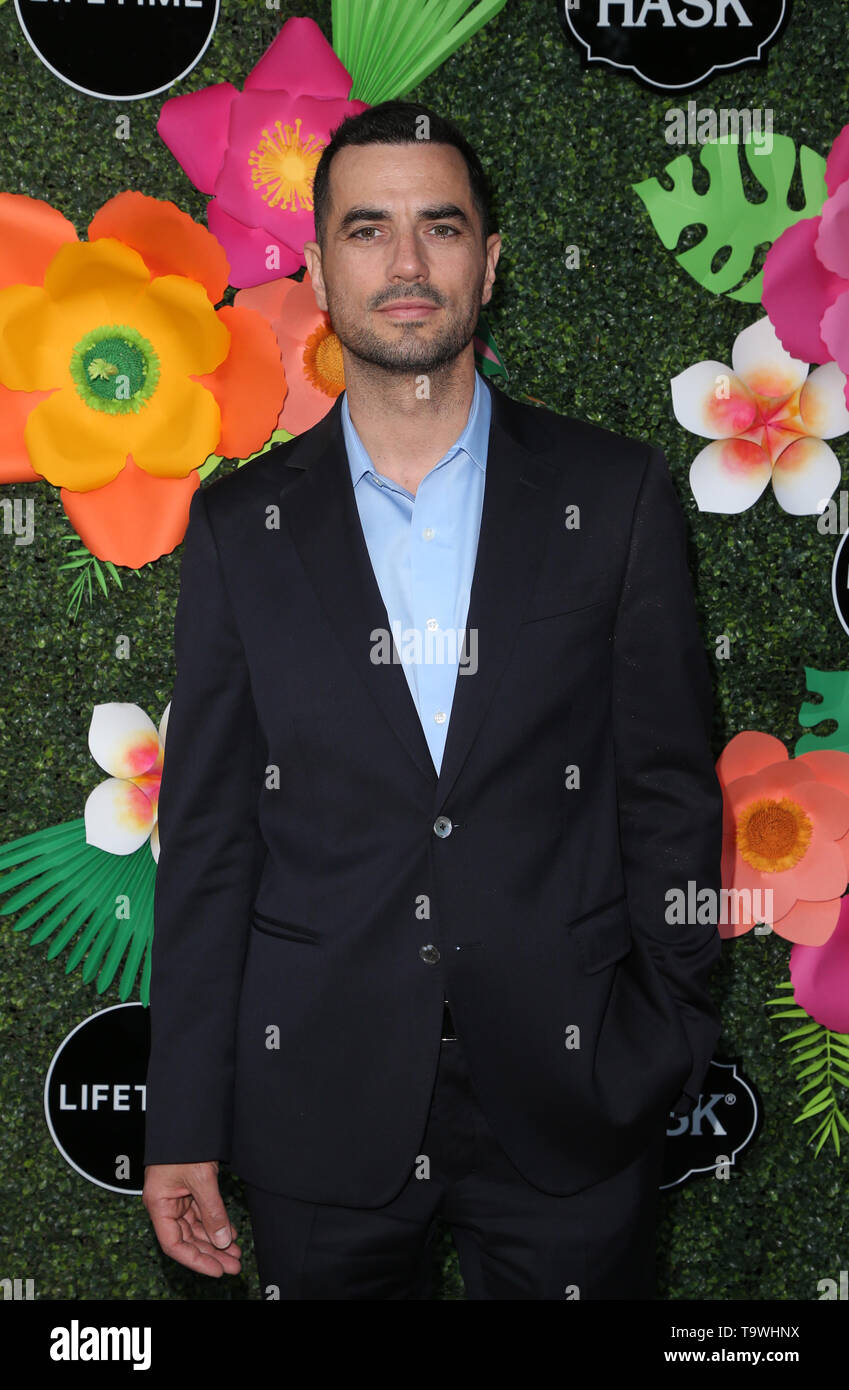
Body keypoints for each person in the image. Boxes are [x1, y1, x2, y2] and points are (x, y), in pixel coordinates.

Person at [142, 99, 723, 1300]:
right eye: (367, 230)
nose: (406, 264)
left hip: (573, 1099)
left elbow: (669, 790)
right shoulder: (243, 529)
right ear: (318, 268)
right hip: (317, 1098)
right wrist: (182, 1115)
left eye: (440, 227)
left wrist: (666, 1028)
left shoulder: (613, 498)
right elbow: (207, 842)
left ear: (489, 261)